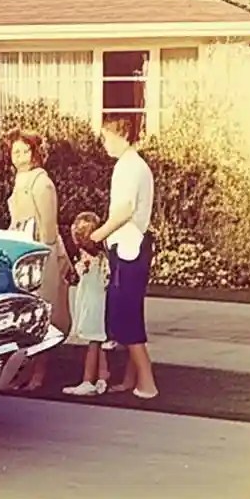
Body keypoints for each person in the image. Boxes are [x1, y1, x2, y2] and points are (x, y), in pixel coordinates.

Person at [85, 117, 159, 399]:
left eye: (106, 137)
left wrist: (97, 235)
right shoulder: (134, 165)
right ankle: (133, 380)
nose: (104, 143)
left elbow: (125, 210)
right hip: (131, 247)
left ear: (122, 135)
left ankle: (148, 384)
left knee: (126, 317)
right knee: (129, 313)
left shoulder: (129, 167)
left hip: (130, 248)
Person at [3, 128, 71, 391]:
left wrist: (44, 260)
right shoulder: (20, 179)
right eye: (15, 151)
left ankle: (39, 372)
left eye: (25, 151)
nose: (19, 156)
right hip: (22, 249)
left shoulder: (42, 183)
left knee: (41, 312)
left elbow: (48, 230)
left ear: (35, 153)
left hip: (40, 253)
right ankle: (24, 369)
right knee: (23, 314)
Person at [62, 211, 112, 395]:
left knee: (94, 340)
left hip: (93, 304)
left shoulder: (89, 261)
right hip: (98, 302)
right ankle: (102, 376)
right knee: (98, 340)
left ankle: (88, 380)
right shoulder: (102, 258)